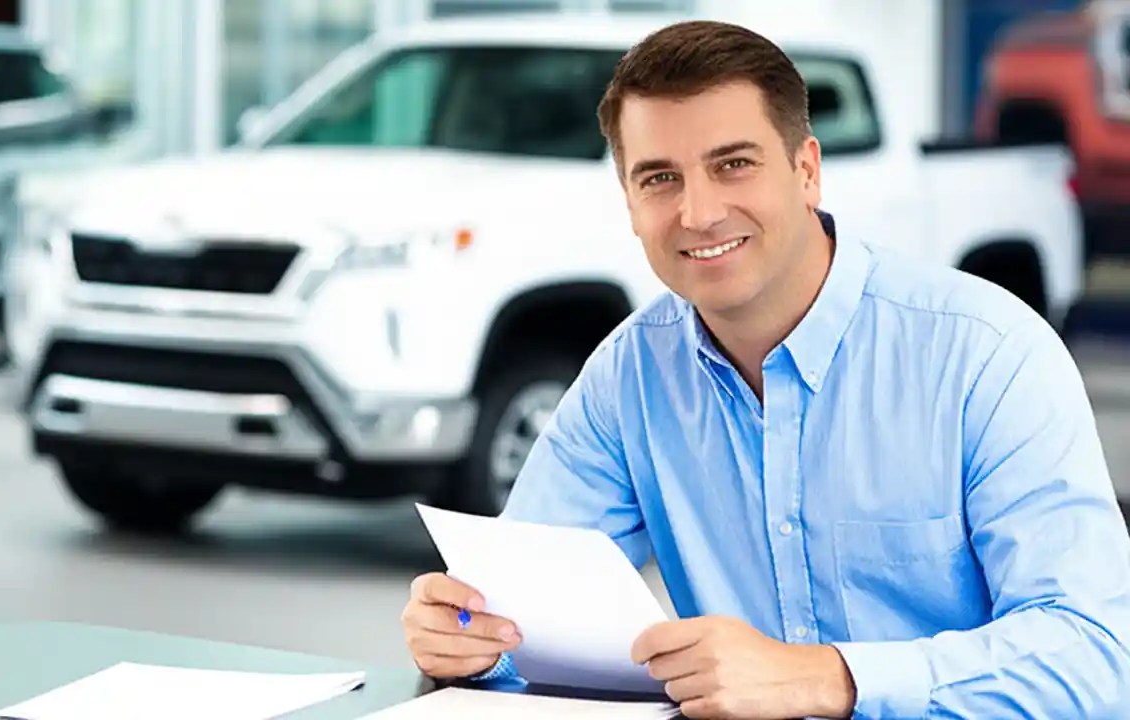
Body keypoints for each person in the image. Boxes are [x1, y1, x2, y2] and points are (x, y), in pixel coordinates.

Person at [400, 19, 1130, 719]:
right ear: (629, 203)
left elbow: (1100, 657)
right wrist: (465, 638)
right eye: (660, 178)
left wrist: (826, 678)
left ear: (806, 170)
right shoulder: (629, 378)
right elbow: (517, 615)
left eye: (733, 164)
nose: (698, 212)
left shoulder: (986, 355)